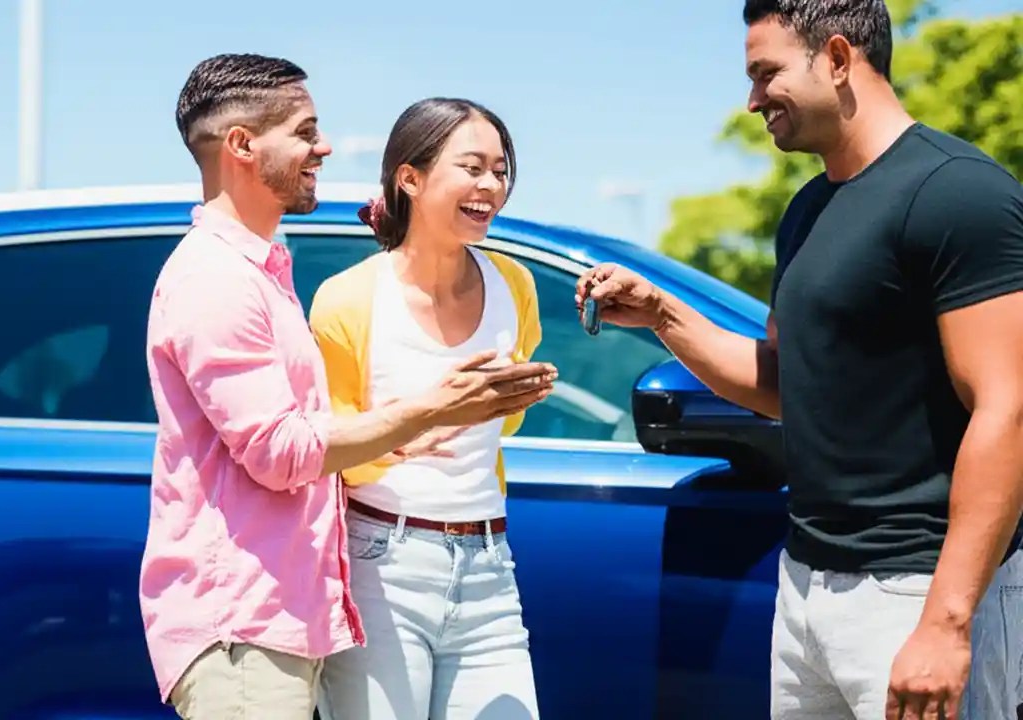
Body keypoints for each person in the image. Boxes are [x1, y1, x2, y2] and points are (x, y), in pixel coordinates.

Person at [578, 2, 1023, 718]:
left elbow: (1010, 410)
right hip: (808, 589)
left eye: (766, 75)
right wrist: (662, 313)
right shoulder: (808, 210)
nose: (753, 100)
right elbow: (793, 386)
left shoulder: (958, 194)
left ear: (840, 59)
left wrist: (946, 622)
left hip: (916, 591)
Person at [140, 55, 557, 720]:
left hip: (292, 608)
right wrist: (436, 408)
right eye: (306, 132)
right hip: (244, 618)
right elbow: (283, 453)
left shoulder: (264, 272)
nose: (324, 147)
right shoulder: (217, 280)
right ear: (243, 145)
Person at [310, 97, 543, 720]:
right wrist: (425, 418)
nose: (490, 185)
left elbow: (503, 425)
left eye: (500, 169)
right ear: (409, 178)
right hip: (379, 564)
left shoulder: (514, 286)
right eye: (471, 167)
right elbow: (331, 450)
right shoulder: (348, 300)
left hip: (490, 566)